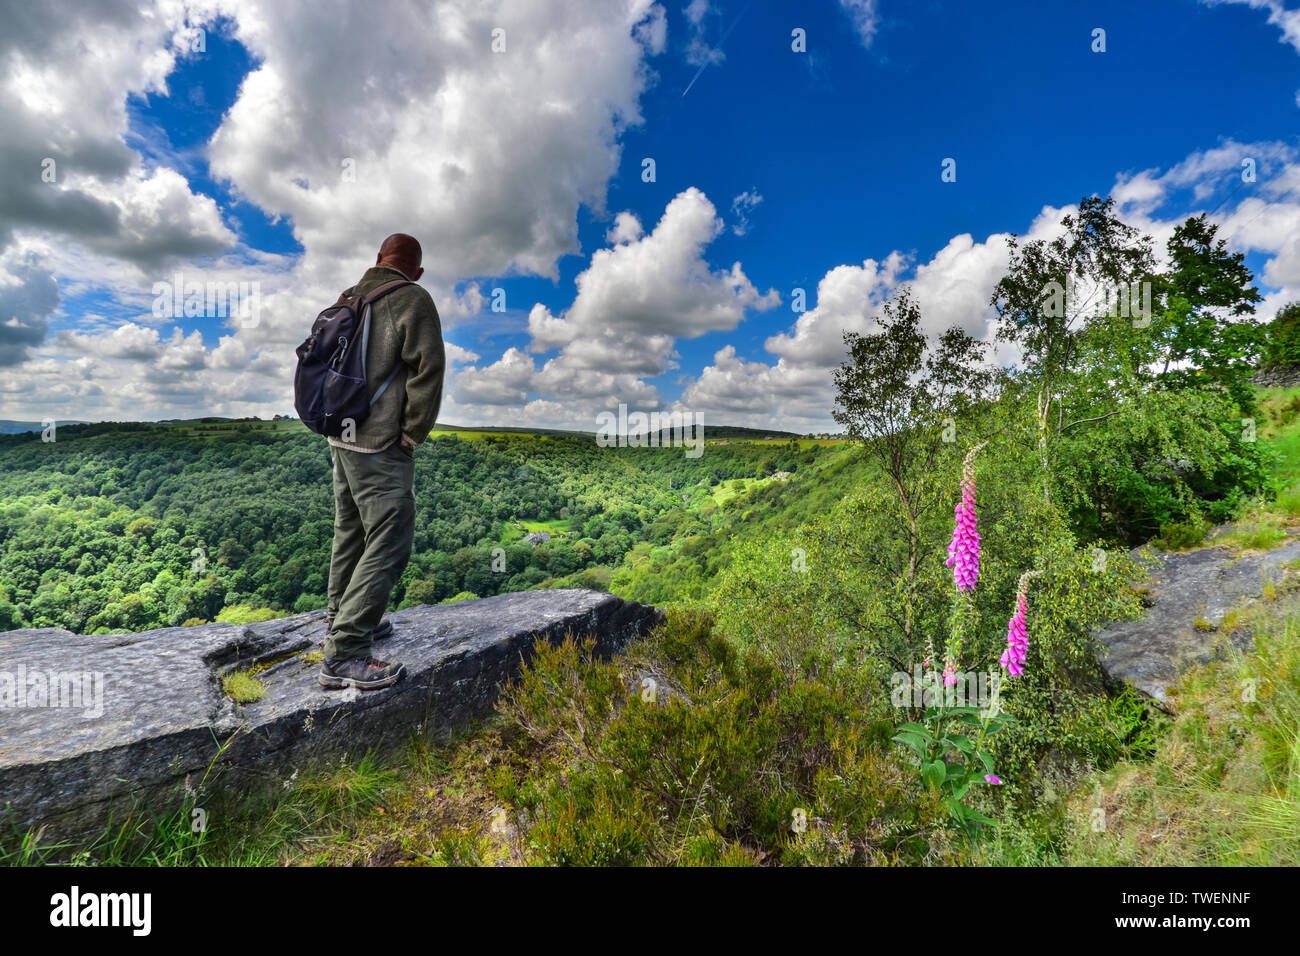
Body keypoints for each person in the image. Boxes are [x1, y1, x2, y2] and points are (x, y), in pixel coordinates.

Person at [318, 233, 445, 691]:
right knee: (392, 534)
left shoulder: (350, 296)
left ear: (377, 260)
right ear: (417, 270)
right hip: (377, 439)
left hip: (341, 432)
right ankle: (347, 650)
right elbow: (429, 368)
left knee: (351, 528)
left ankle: (340, 618)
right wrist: (413, 431)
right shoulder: (413, 297)